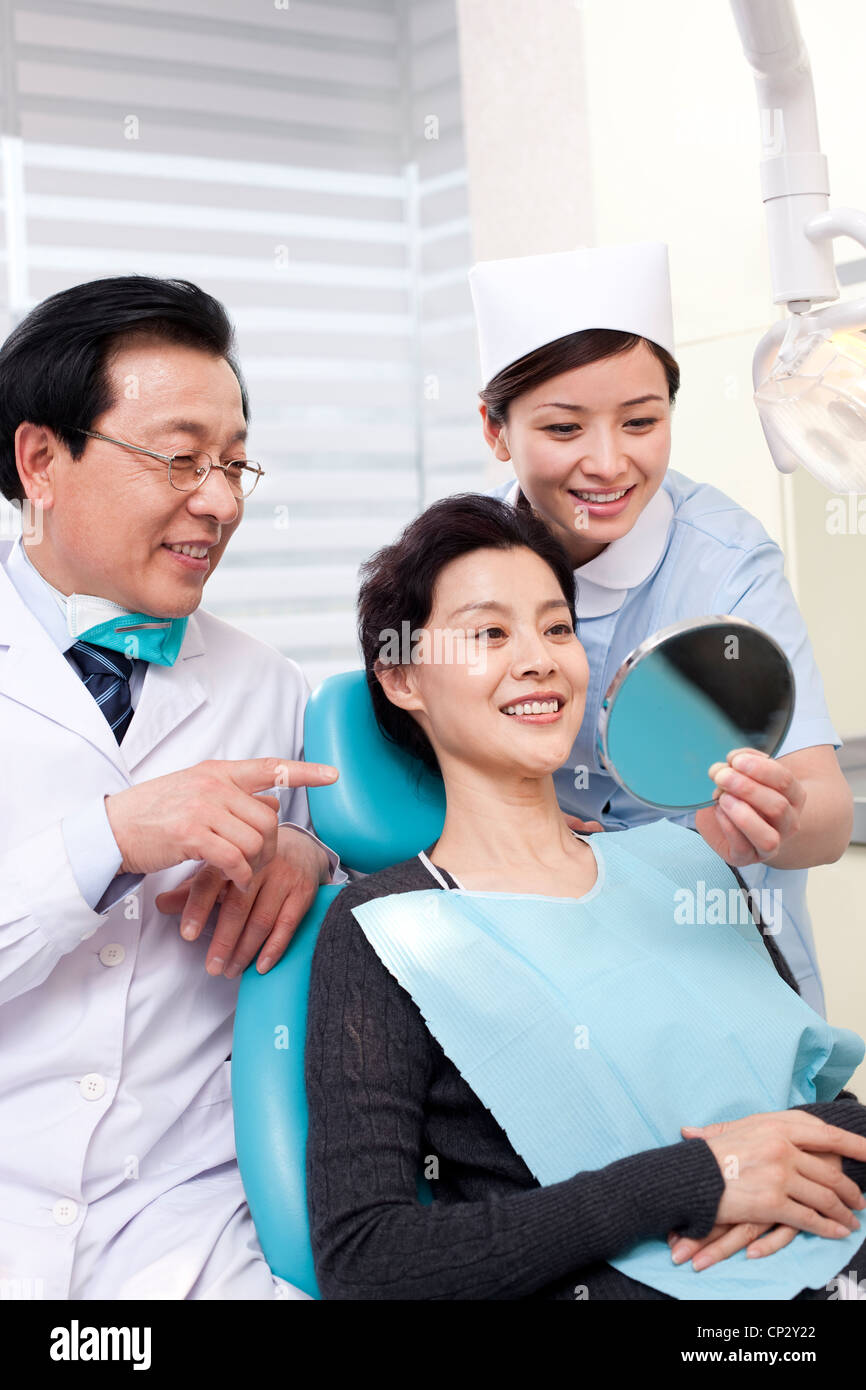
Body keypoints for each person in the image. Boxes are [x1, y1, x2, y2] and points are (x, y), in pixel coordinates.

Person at [304, 492, 866, 1301]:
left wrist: (784, 1146)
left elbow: (831, 1103)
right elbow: (370, 1259)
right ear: (401, 677)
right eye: (490, 633)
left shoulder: (685, 866)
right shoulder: (387, 933)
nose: (539, 659)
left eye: (557, 628)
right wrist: (697, 1178)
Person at [0, 275, 346, 1300]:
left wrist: (306, 856)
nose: (222, 501)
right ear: (40, 460)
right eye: (182, 458)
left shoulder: (267, 687)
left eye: (236, 465)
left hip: (186, 1233)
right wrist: (109, 836)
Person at [468, 241, 852, 1017]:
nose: (608, 464)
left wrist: (775, 818)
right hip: (537, 969)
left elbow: (827, 816)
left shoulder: (724, 562)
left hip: (721, 973)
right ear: (496, 432)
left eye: (641, 421)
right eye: (565, 429)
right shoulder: (458, 561)